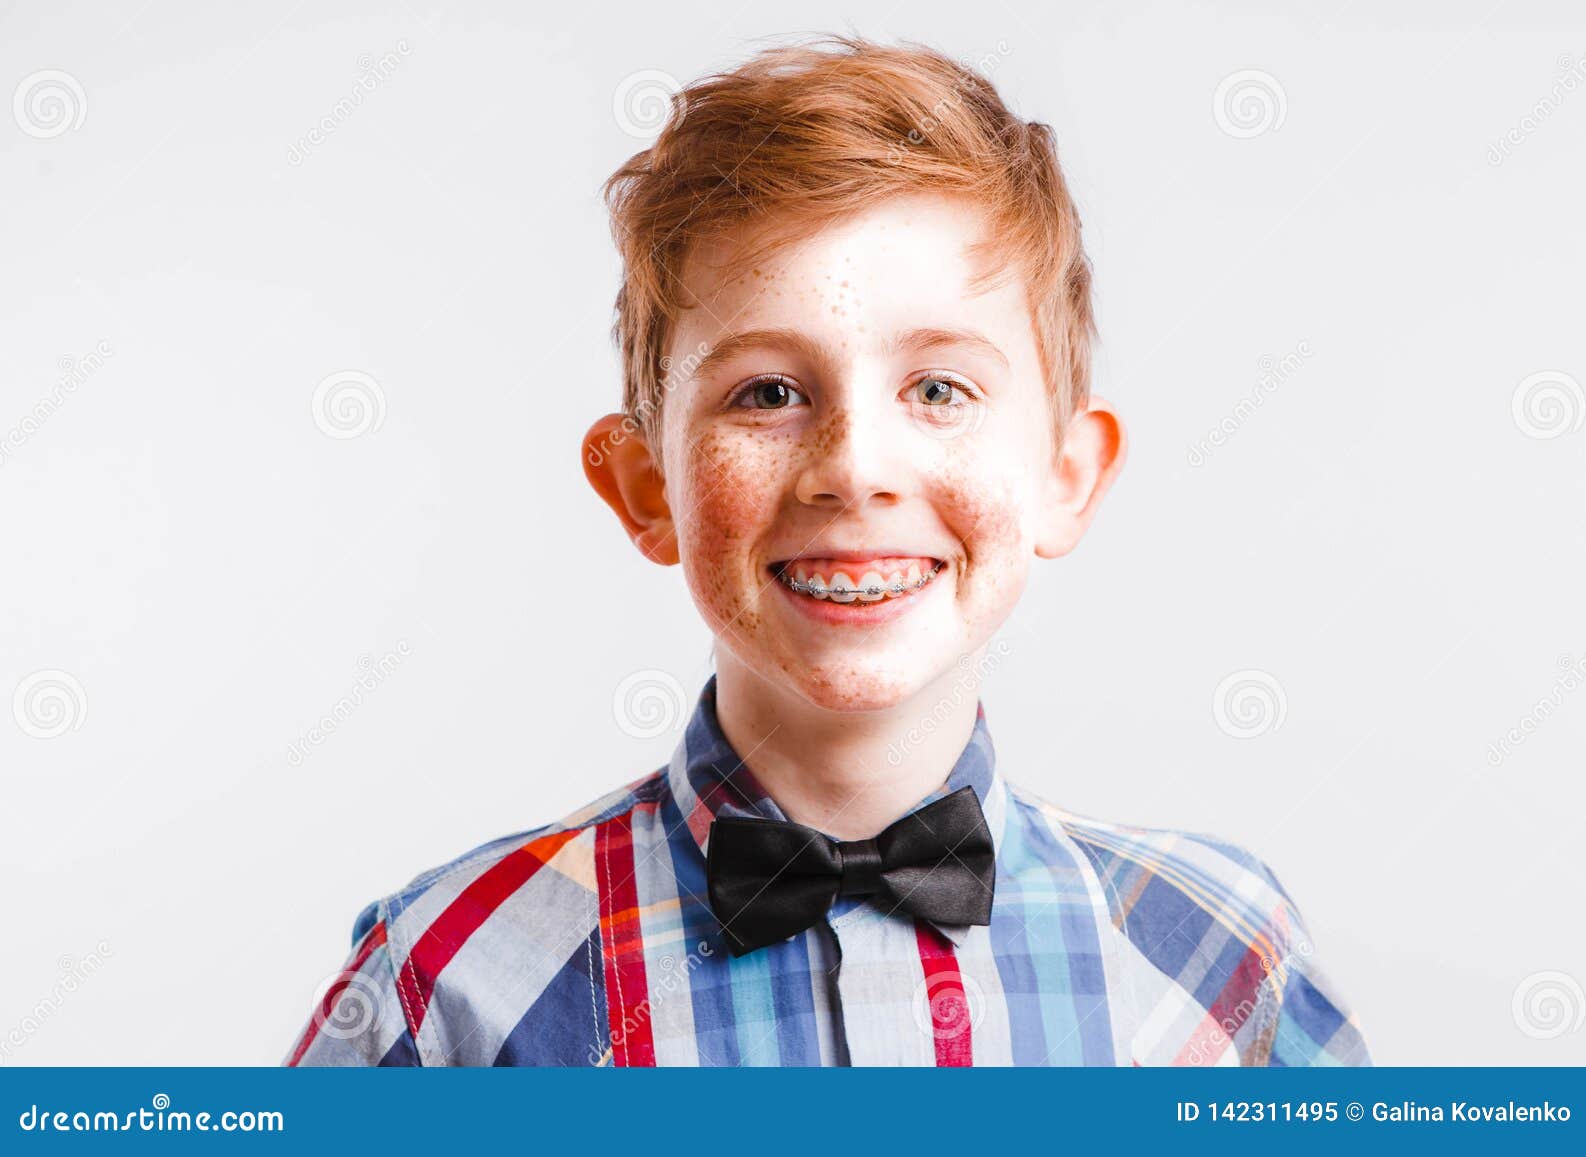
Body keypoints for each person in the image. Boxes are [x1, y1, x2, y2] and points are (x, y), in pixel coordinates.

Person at [286, 35, 1370, 1067]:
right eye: (767, 392)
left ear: (1064, 475)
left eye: (938, 389)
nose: (854, 469)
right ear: (645, 485)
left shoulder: (1218, 959)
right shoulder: (449, 980)